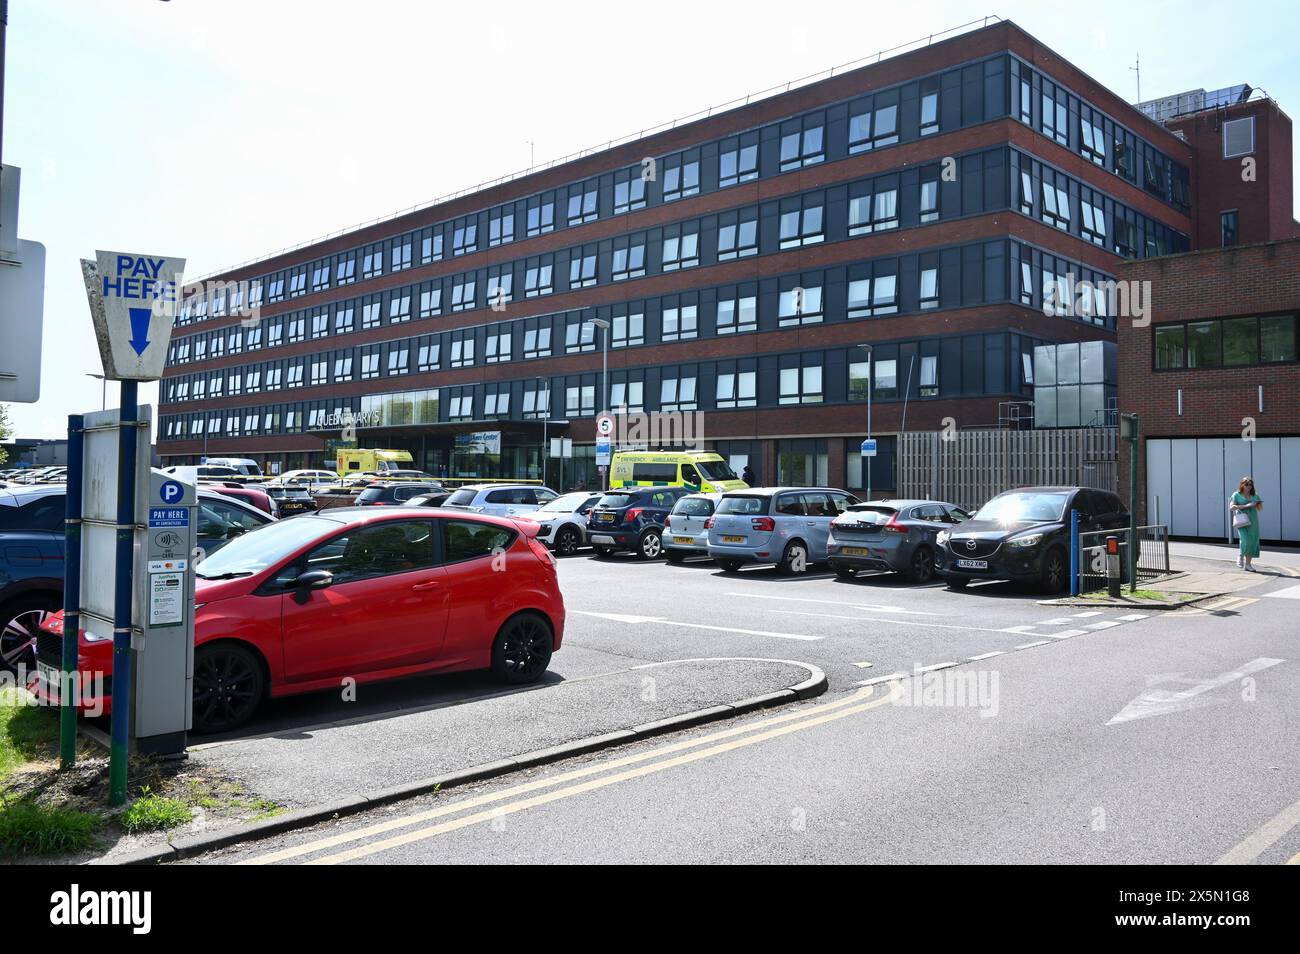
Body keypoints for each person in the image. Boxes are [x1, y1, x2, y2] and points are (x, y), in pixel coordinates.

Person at [1229, 477, 1264, 571]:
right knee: (1245, 540)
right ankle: (1240, 556)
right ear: (1242, 485)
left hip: (1253, 521)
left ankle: (1248, 565)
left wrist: (1257, 503)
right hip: (1242, 521)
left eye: (1250, 484)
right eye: (1247, 484)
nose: (1249, 486)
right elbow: (1231, 507)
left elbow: (1260, 507)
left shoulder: (1254, 495)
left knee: (1252, 542)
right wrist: (1246, 506)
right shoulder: (1236, 494)